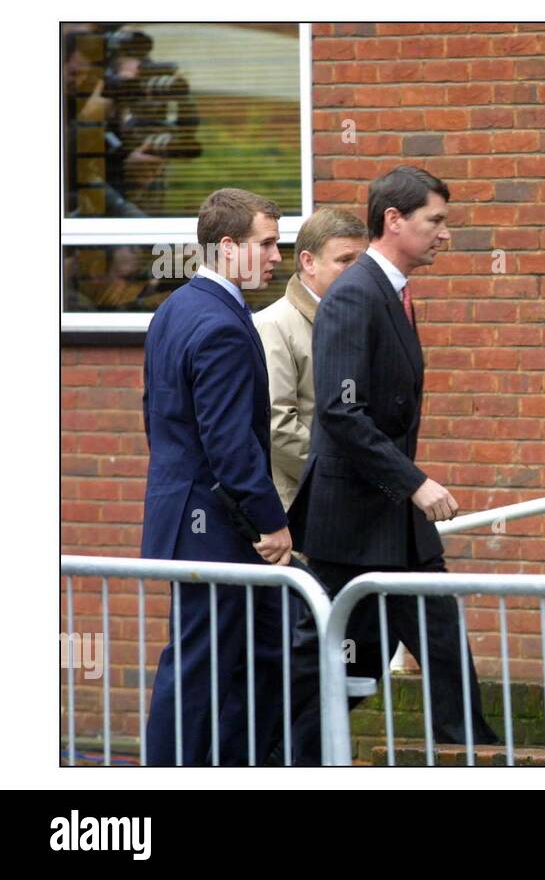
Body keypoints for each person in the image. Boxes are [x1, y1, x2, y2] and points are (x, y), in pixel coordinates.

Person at [287, 166, 497, 762]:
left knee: (421, 653)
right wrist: (416, 484)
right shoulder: (356, 294)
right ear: (394, 221)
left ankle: (470, 756)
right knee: (323, 667)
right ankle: (265, 757)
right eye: (436, 221)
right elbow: (340, 412)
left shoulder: (390, 293)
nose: (445, 235)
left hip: (390, 524)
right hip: (353, 523)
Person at [141, 188, 291, 766]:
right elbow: (228, 442)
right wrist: (270, 521)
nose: (277, 255)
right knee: (201, 665)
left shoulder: (176, 308)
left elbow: (156, 413)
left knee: (228, 659)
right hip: (213, 526)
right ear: (229, 247)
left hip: (189, 517)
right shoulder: (222, 323)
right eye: (267, 243)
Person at [254, 207, 367, 510]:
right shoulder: (274, 325)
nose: (358, 272)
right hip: (304, 506)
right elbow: (277, 425)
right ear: (308, 261)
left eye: (362, 261)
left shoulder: (359, 319)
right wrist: (345, 474)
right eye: (344, 261)